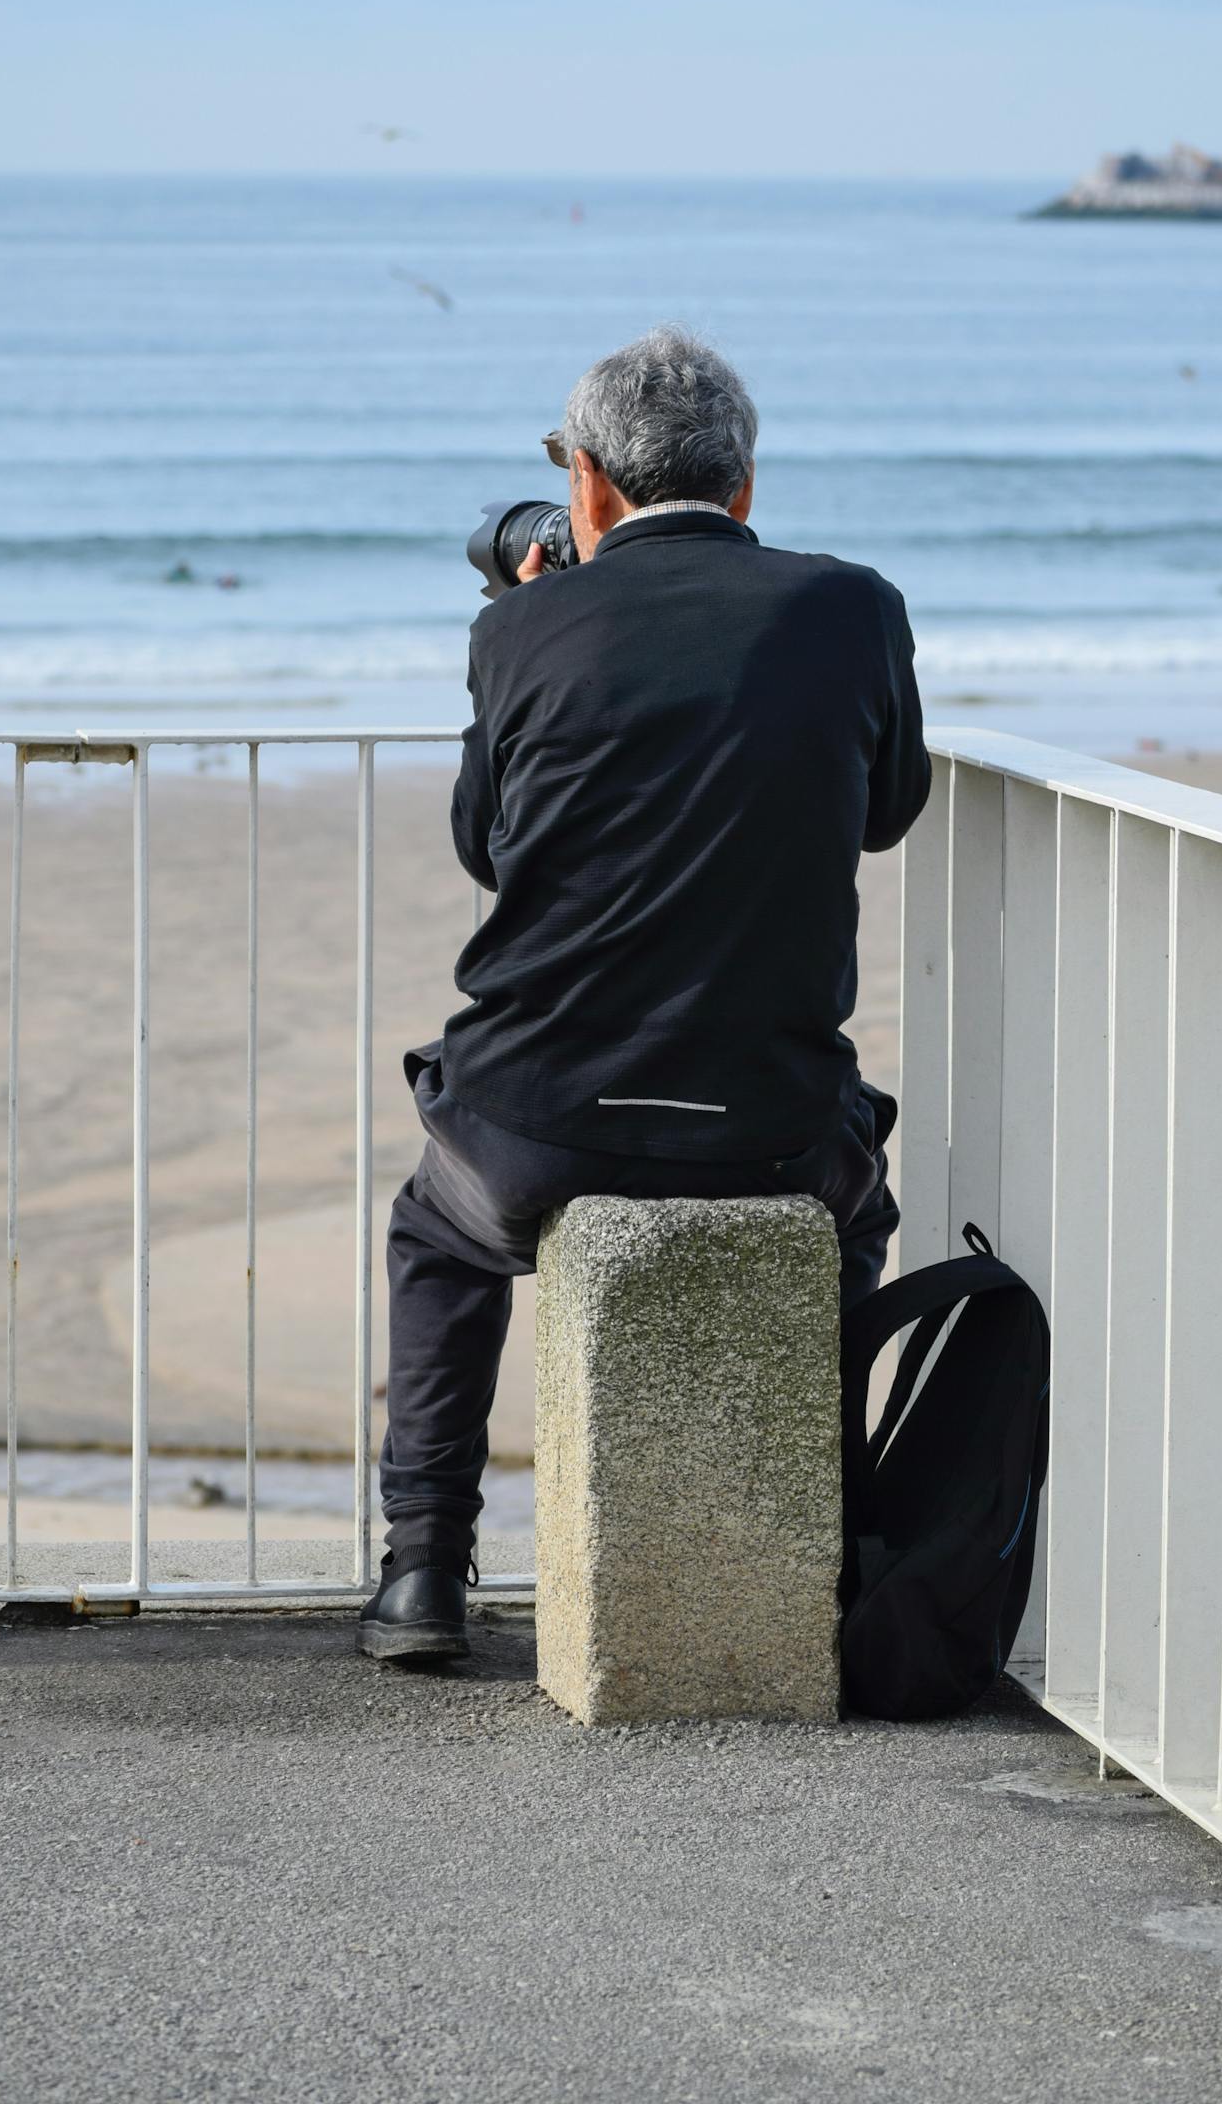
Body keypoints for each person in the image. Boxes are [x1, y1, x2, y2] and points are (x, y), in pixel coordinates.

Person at [359, 327, 932, 1660]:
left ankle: (422, 1576)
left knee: (438, 1238)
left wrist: (533, 615)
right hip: (771, 1127)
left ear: (593, 490)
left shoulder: (517, 629)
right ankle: (830, 1553)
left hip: (532, 1124)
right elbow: (891, 809)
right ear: (742, 489)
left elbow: (485, 843)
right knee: (856, 1214)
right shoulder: (852, 610)